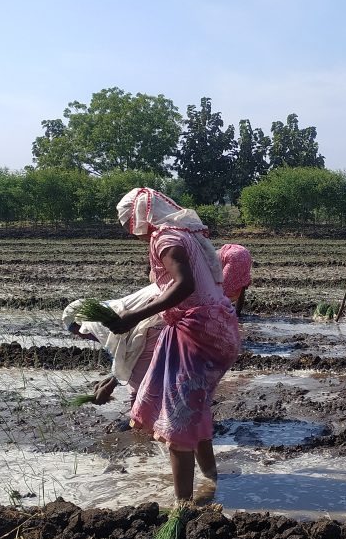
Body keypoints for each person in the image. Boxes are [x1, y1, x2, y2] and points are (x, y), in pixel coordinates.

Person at [101, 188, 241, 504]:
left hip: (199, 332)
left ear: (140, 217)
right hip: (217, 326)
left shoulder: (165, 239)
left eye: (129, 224)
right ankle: (212, 481)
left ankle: (182, 507)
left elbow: (184, 284)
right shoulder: (183, 233)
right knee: (195, 408)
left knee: (178, 420)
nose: (131, 232)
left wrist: (133, 316)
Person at [63, 284, 164, 411]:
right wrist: (113, 379)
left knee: (139, 381)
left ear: (81, 324)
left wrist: (110, 386)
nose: (82, 337)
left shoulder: (96, 324)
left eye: (79, 333)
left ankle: (143, 418)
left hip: (158, 316)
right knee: (141, 379)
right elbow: (123, 356)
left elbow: (126, 356)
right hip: (162, 303)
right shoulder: (107, 309)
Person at [217, 243, 252, 316]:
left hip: (233, 256)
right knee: (241, 286)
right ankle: (237, 313)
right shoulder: (218, 253)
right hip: (245, 254)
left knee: (222, 289)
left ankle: (221, 314)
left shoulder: (211, 259)